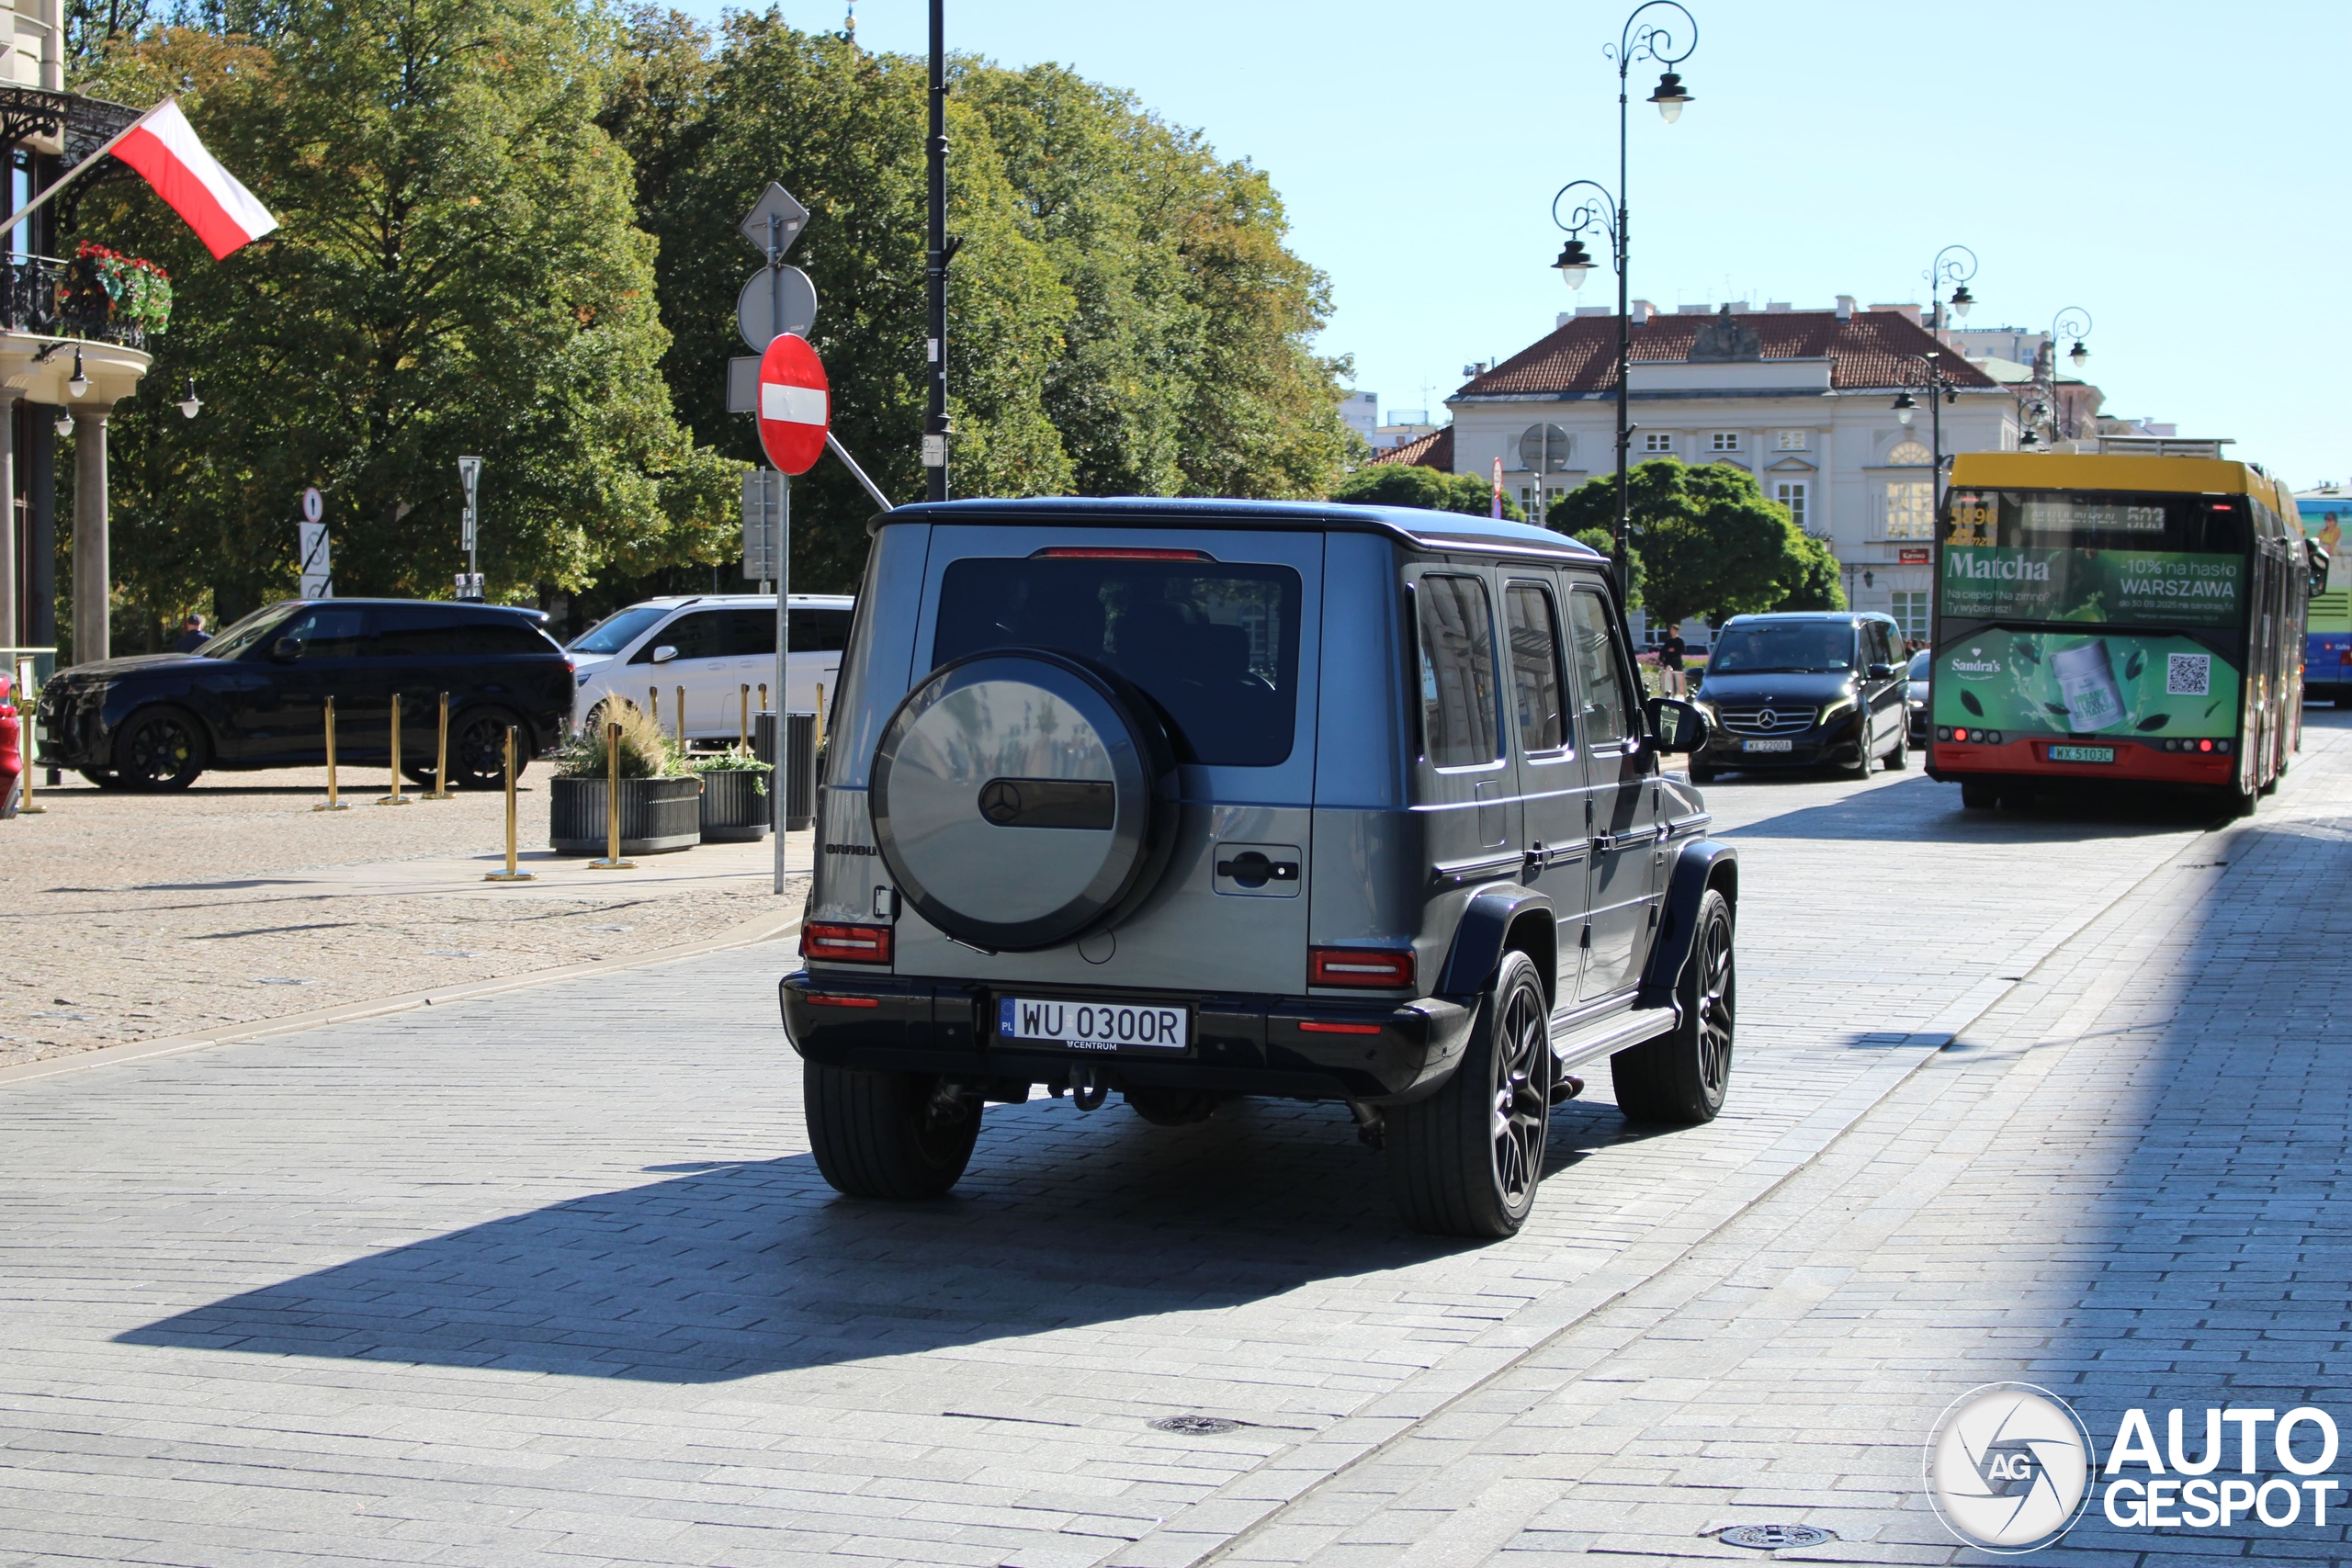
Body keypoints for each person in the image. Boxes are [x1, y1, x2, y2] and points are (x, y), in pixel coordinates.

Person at [1657, 627, 1687, 695]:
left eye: (1673, 630)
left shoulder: (1680, 641)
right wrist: (1666, 651)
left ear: (1676, 631)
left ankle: (1676, 693)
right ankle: (1667, 693)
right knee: (1668, 678)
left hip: (1676, 661)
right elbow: (1663, 650)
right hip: (1668, 661)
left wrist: (1675, 650)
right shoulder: (1668, 641)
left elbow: (1683, 650)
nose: (1671, 631)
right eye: (1671, 630)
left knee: (1677, 678)